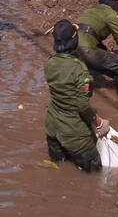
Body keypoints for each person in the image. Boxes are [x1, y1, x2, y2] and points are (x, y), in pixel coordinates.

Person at [44, 19, 109, 172]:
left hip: (52, 127)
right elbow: (82, 104)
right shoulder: (79, 69)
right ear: (74, 40)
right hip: (74, 134)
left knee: (57, 168)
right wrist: (98, 122)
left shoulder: (50, 63)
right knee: (95, 173)